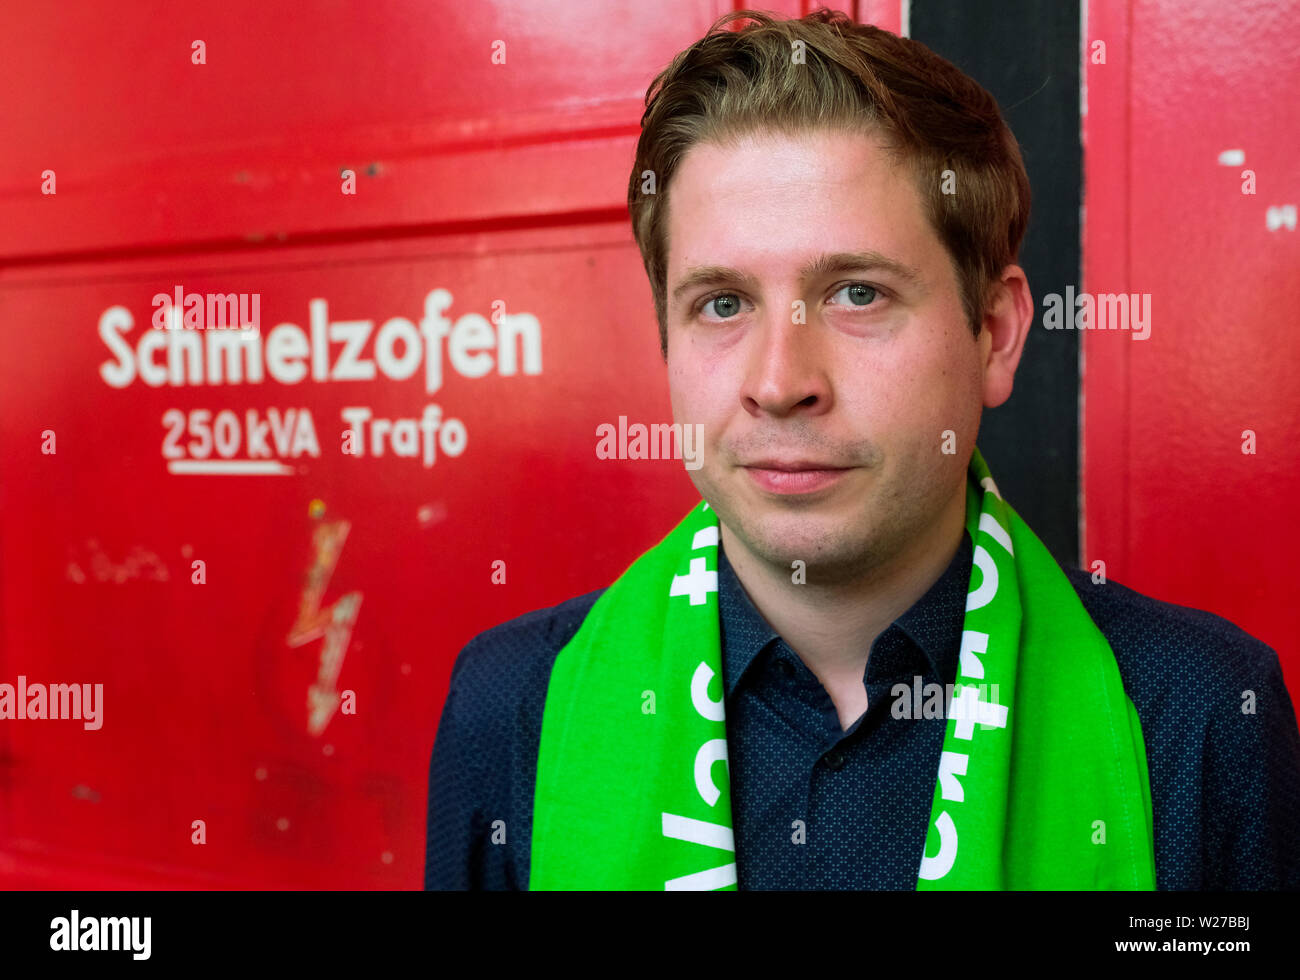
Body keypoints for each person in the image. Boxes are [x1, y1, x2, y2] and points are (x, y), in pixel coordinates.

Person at [424, 7, 1300, 890]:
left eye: (855, 294)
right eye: (722, 303)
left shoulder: (1200, 714)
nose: (779, 380)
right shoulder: (515, 709)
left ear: (994, 334)